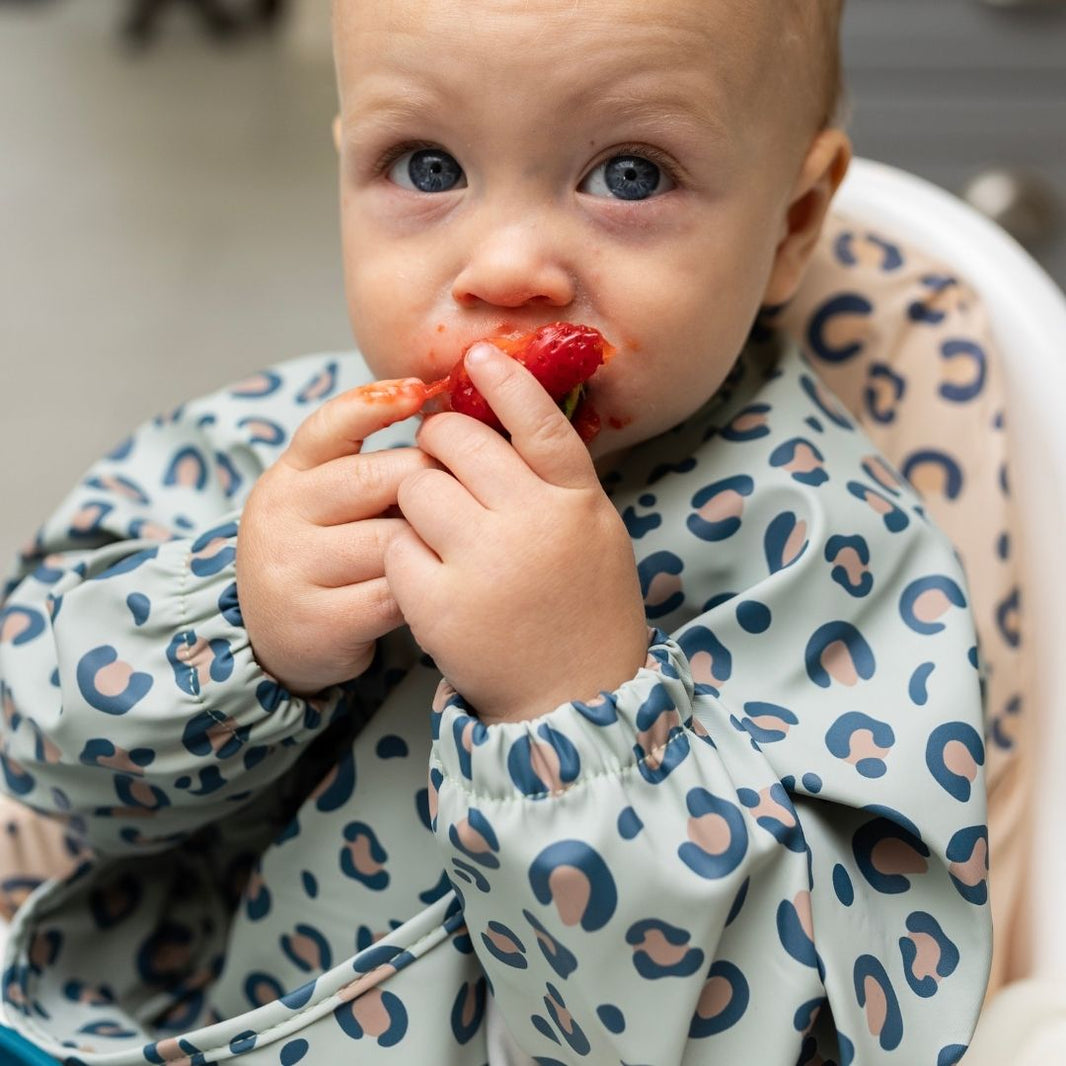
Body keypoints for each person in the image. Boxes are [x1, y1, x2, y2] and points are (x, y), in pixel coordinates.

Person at [0, 0, 992, 1062]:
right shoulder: (275, 447)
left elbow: (844, 1021)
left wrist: (577, 717)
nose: (507, 266)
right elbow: (43, 759)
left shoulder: (831, 553)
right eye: (426, 166)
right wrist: (234, 626)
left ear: (791, 225)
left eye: (630, 175)